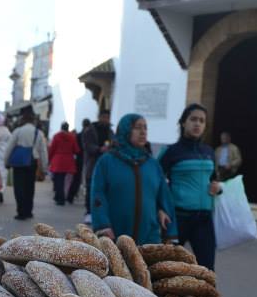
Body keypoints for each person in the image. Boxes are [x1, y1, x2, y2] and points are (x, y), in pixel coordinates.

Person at [90, 114, 177, 244]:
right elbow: (98, 195)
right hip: (115, 236)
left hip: (149, 239)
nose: (143, 132)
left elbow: (164, 197)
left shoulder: (152, 164)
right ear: (125, 130)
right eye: (137, 127)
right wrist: (102, 225)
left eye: (145, 128)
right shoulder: (107, 162)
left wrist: (167, 225)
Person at [160, 104, 222, 272]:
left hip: (204, 219)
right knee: (168, 268)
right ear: (183, 122)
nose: (197, 124)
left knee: (207, 270)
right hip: (178, 219)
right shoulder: (171, 151)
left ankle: (205, 292)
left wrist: (218, 187)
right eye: (193, 119)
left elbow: (214, 179)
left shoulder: (209, 151)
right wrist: (160, 208)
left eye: (202, 121)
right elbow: (156, 182)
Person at [3, 105, 48, 221]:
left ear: (23, 119)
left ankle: (21, 211)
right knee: (30, 187)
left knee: (19, 187)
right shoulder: (39, 133)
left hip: (19, 163)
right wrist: (44, 168)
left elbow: (9, 148)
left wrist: (6, 161)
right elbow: (43, 151)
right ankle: (28, 211)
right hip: (32, 162)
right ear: (33, 120)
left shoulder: (18, 131)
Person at [83, 109, 113, 223]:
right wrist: (99, 149)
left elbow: (114, 143)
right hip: (93, 164)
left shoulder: (110, 131)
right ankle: (89, 212)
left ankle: (101, 212)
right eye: (104, 117)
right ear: (99, 117)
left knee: (104, 189)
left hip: (107, 165)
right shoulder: (90, 130)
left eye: (108, 118)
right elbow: (87, 146)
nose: (106, 120)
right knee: (91, 188)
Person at [48, 122, 81, 206]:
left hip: (58, 160)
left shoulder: (56, 136)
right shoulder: (72, 137)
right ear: (68, 128)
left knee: (58, 179)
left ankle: (60, 198)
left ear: (61, 127)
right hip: (68, 160)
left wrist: (50, 159)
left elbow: (52, 149)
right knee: (65, 180)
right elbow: (76, 149)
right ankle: (59, 196)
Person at [68, 119, 88, 203]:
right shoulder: (88, 135)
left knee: (77, 178)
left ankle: (71, 195)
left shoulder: (78, 135)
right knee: (79, 178)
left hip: (79, 158)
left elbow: (75, 148)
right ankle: (73, 194)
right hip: (85, 158)